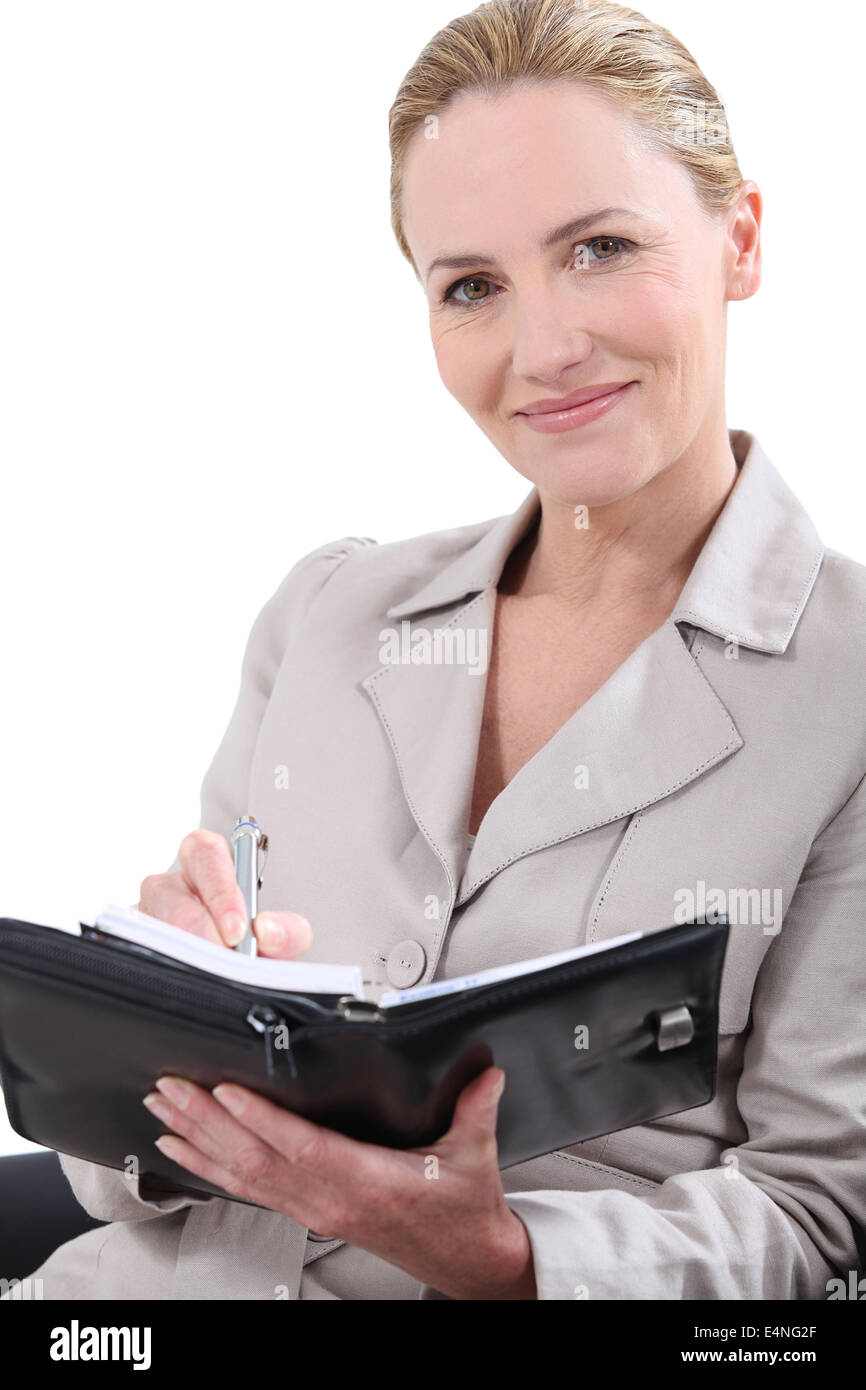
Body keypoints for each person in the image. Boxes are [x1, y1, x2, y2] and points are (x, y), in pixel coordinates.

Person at [21, 0, 866, 1299]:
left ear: (738, 240)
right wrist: (153, 1034)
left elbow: (813, 1224)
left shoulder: (844, 687)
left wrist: (497, 1254)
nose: (542, 350)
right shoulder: (332, 612)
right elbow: (107, 1168)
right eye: (471, 285)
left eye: (597, 247)